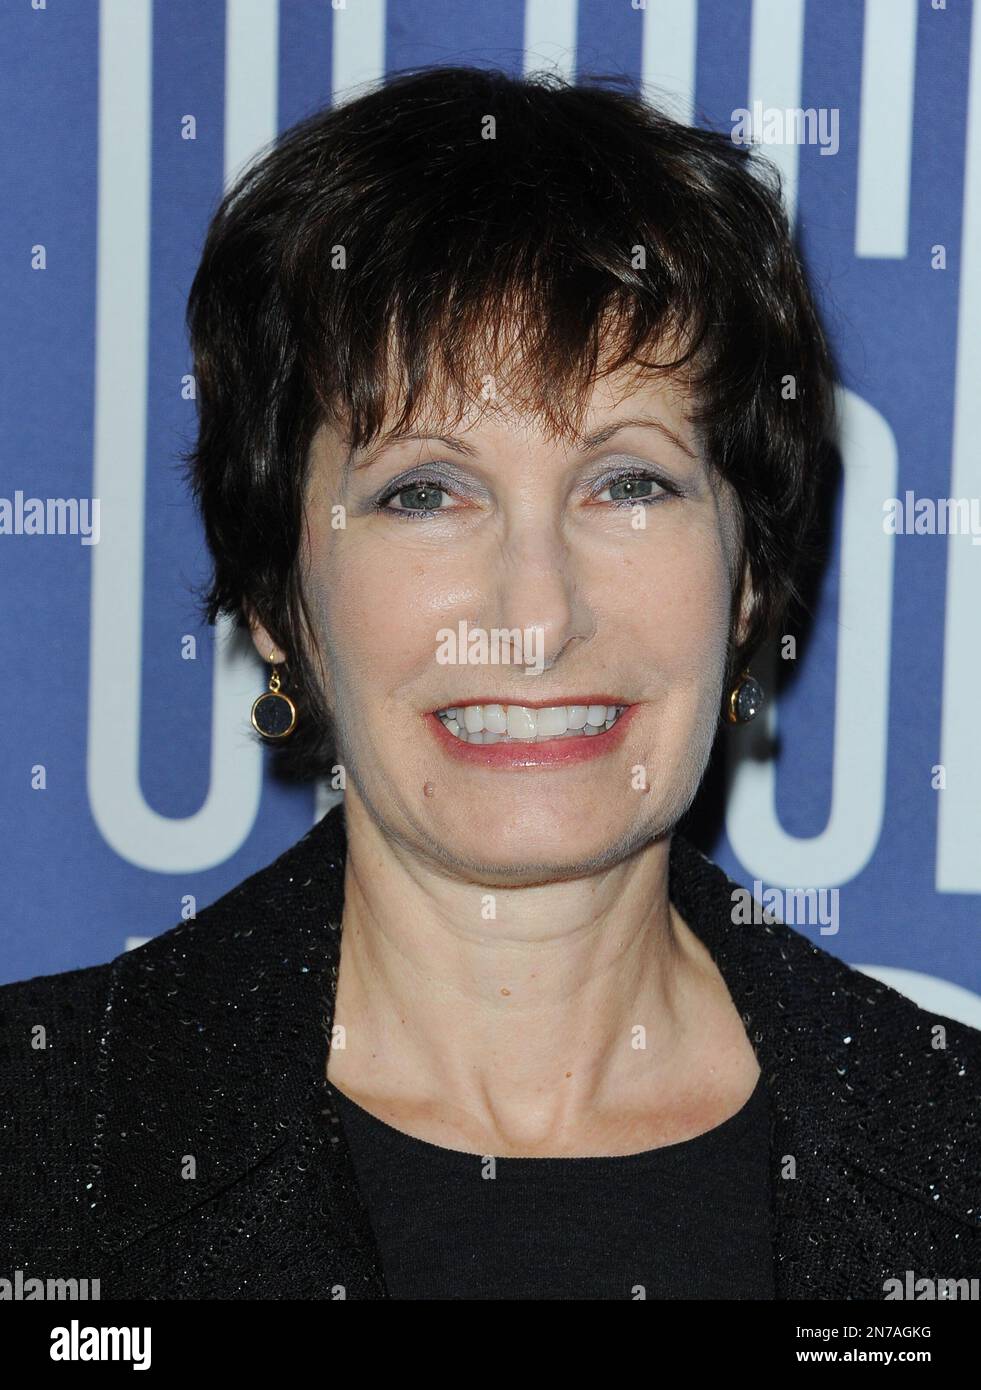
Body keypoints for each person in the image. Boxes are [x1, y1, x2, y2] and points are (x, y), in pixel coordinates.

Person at [2, 65, 978, 1302]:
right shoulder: (39, 1145)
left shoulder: (948, 1158)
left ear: (746, 578)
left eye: (629, 483)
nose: (534, 618)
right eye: (426, 491)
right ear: (275, 597)